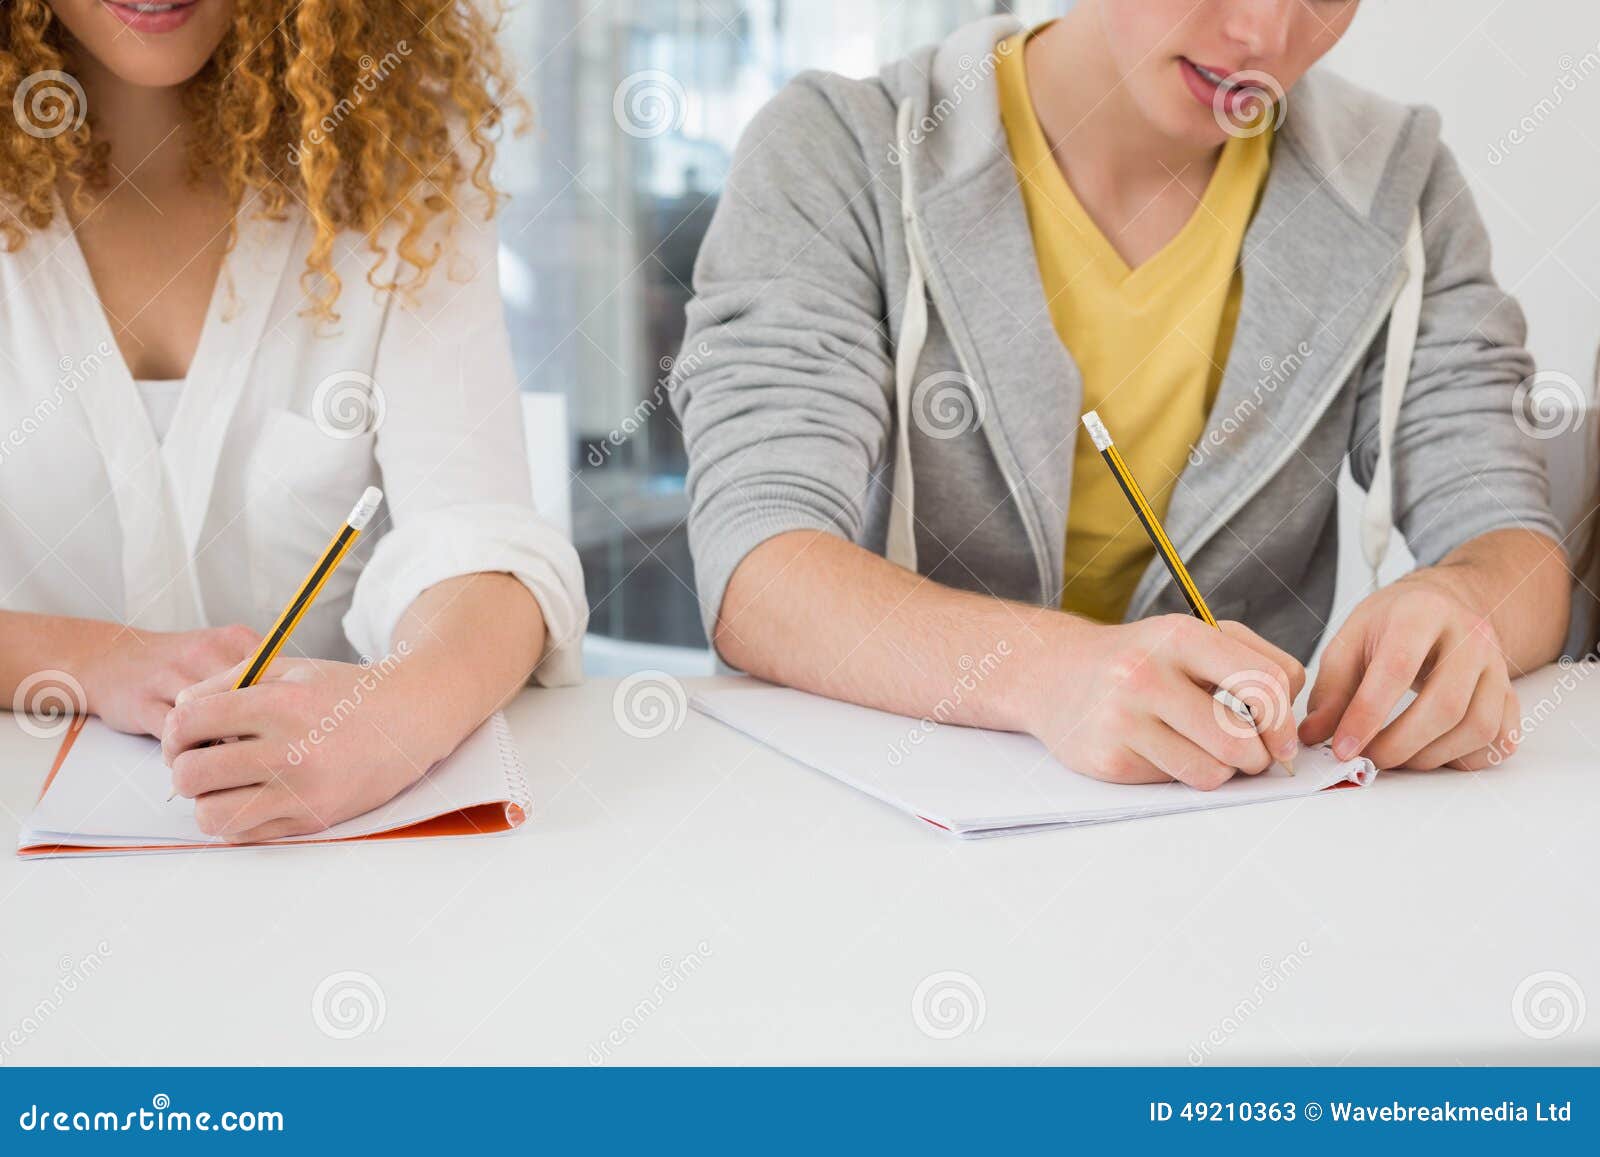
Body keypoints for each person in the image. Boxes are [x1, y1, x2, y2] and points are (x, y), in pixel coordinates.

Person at [672, 1, 1570, 787]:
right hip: (893, 821)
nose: (1262, 30)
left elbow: (1511, 542)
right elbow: (759, 566)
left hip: (1232, 835)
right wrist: (1044, 673)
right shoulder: (842, 150)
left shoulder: (1398, 190)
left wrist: (1460, 607)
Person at [0, 0, 586, 841]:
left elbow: (478, 540)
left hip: (321, 867)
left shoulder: (395, 135)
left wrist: (399, 715)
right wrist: (85, 656)